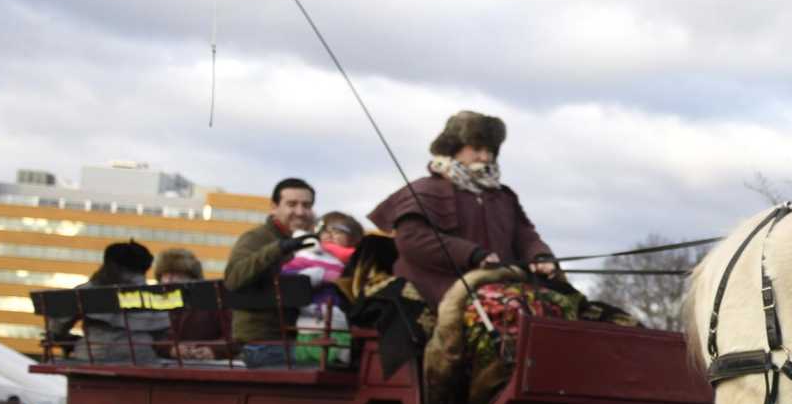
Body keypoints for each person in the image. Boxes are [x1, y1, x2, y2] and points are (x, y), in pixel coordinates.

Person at [368, 111, 557, 307]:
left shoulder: (503, 196)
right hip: (434, 291)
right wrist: (472, 254)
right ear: (454, 148)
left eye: (490, 150)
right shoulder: (424, 189)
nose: (484, 157)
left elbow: (525, 236)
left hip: (501, 288)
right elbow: (412, 240)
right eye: (476, 149)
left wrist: (540, 256)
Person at [224, 179, 318, 368]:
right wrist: (279, 248)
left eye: (306, 205)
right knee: (324, 362)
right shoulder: (256, 238)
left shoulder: (312, 242)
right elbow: (233, 278)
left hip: (297, 338)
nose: (300, 212)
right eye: (292, 204)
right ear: (274, 207)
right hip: (263, 343)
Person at [285, 211, 361, 367]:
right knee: (315, 346)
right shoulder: (309, 255)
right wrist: (311, 276)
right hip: (314, 314)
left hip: (342, 317)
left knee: (340, 344)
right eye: (325, 230)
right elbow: (286, 276)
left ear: (353, 238)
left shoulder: (353, 262)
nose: (331, 234)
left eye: (339, 230)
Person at [152, 248, 230, 361]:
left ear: (192, 277)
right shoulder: (156, 304)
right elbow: (152, 337)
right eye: (165, 275)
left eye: (176, 274)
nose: (168, 280)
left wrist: (213, 350)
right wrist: (171, 349)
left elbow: (233, 335)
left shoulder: (215, 301)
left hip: (209, 365)